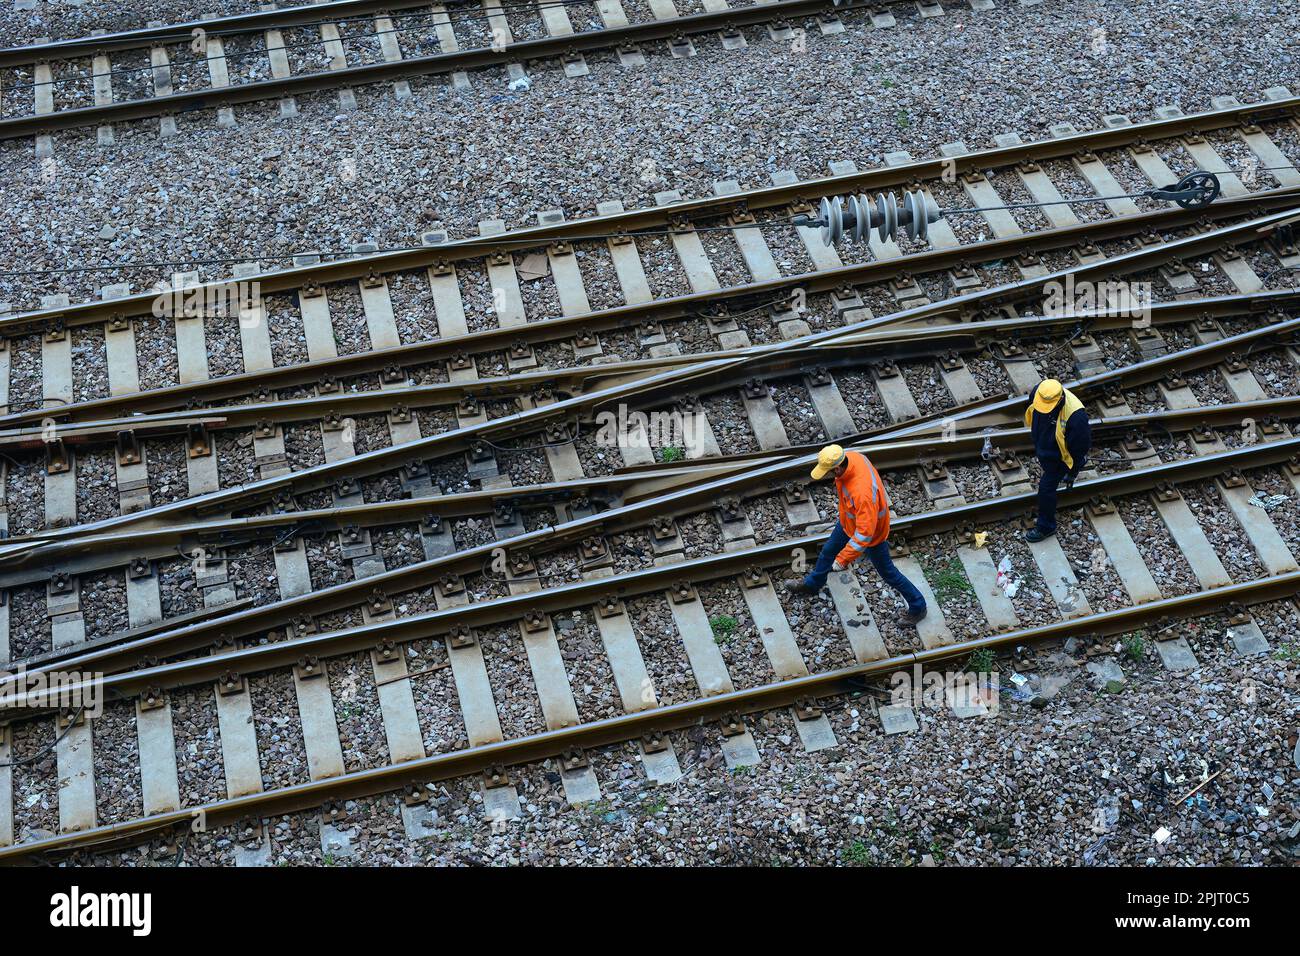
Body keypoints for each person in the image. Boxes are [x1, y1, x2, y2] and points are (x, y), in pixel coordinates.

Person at [792, 444, 927, 624]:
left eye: (830, 471)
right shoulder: (854, 457)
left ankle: (918, 607)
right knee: (827, 551)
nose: (829, 475)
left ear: (838, 468)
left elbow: (865, 534)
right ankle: (812, 585)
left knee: (889, 573)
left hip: (872, 534)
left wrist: (843, 560)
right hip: (850, 522)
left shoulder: (861, 493)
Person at [1023, 378, 1091, 543]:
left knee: (1046, 489)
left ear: (1060, 400)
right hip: (1045, 442)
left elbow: (1080, 448)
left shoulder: (1076, 417)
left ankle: (1046, 526)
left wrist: (1073, 471)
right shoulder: (1040, 391)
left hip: (1059, 457)